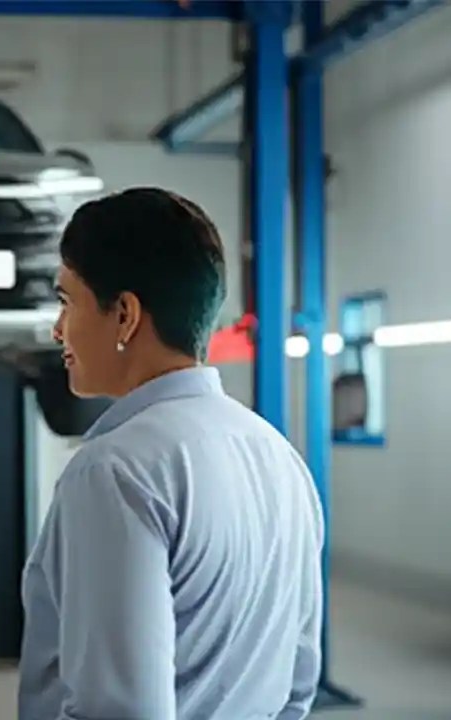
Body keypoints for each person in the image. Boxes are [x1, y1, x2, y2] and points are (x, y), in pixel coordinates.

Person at [18, 188, 324, 720]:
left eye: (67, 302)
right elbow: (297, 686)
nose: (57, 329)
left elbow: (122, 710)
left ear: (125, 316)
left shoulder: (115, 472)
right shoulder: (281, 458)